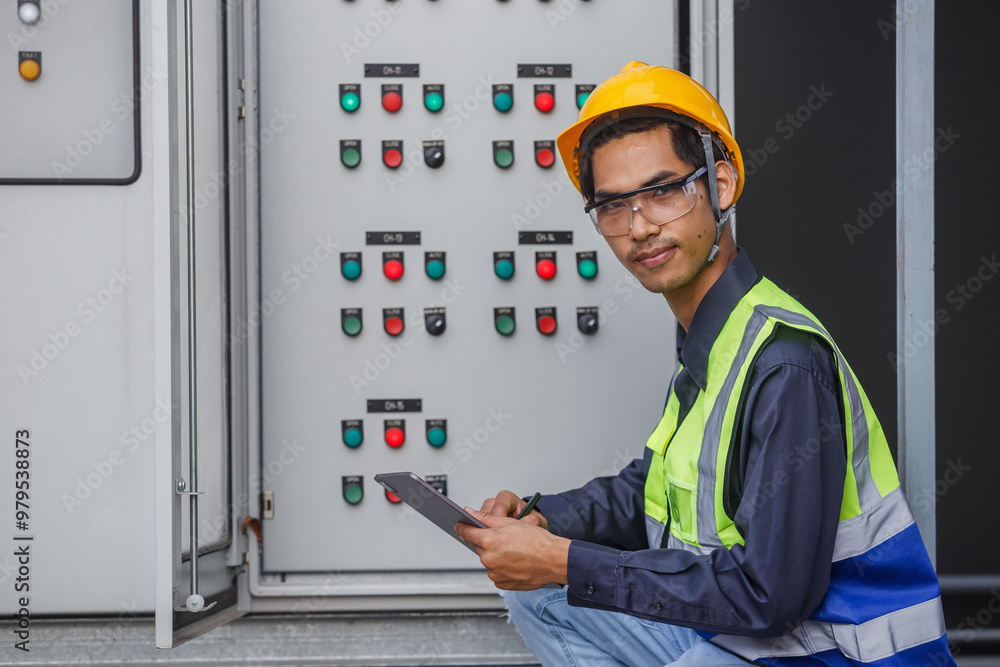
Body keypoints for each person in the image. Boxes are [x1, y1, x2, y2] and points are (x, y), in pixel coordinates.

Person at [455, 62, 954, 666]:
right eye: (613, 205)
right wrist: (542, 519)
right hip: (752, 645)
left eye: (664, 191)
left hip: (835, 656)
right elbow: (655, 492)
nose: (639, 227)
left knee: (568, 587)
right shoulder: (715, 341)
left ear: (720, 185)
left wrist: (566, 561)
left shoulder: (784, 364)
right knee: (540, 595)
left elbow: (770, 597)